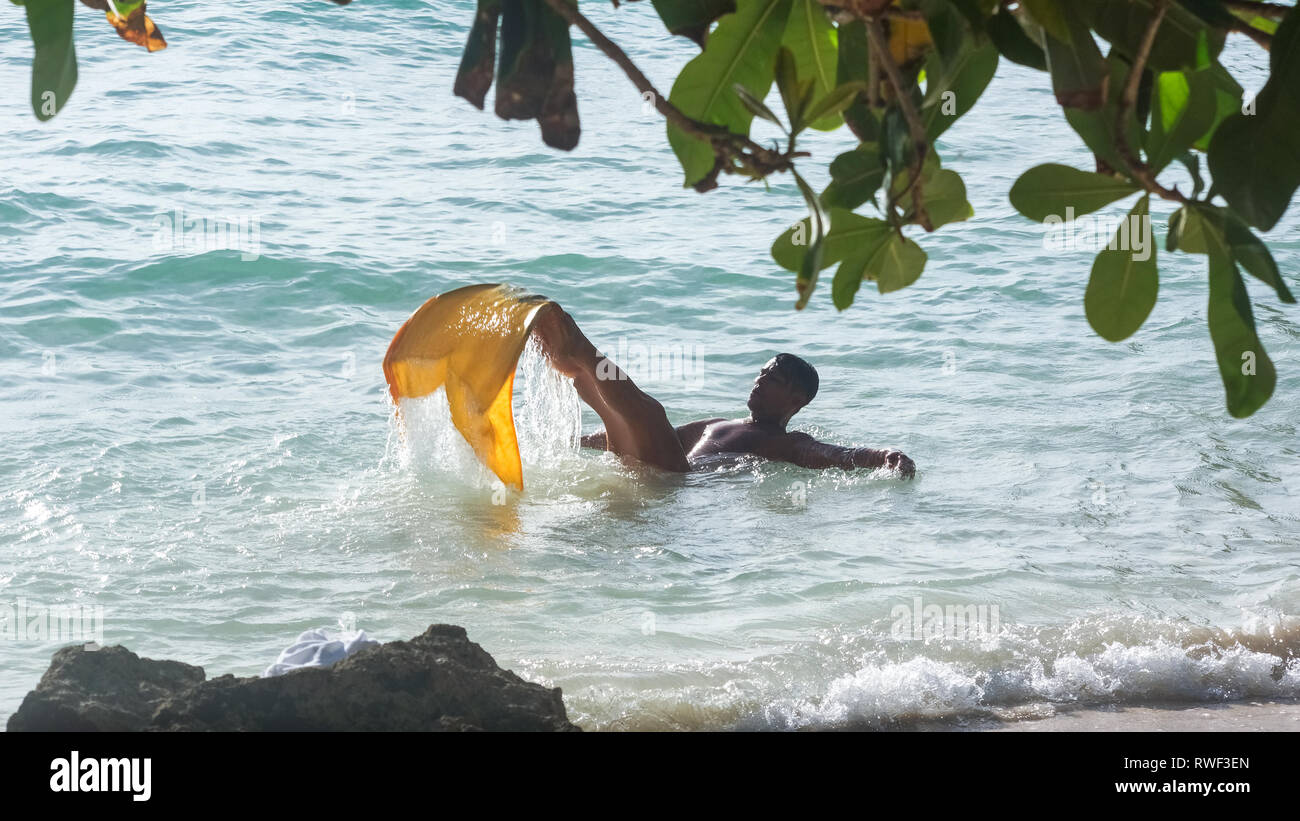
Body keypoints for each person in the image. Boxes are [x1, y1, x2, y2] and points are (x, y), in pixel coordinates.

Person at [529, 303, 916, 478]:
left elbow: (837, 455)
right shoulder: (717, 423)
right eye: (761, 374)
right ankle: (570, 359)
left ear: (797, 401)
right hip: (653, 466)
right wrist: (577, 442)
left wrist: (885, 455)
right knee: (602, 398)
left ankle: (577, 348)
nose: (759, 381)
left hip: (677, 482)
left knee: (648, 412)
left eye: (773, 381)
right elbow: (666, 438)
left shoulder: (789, 443)